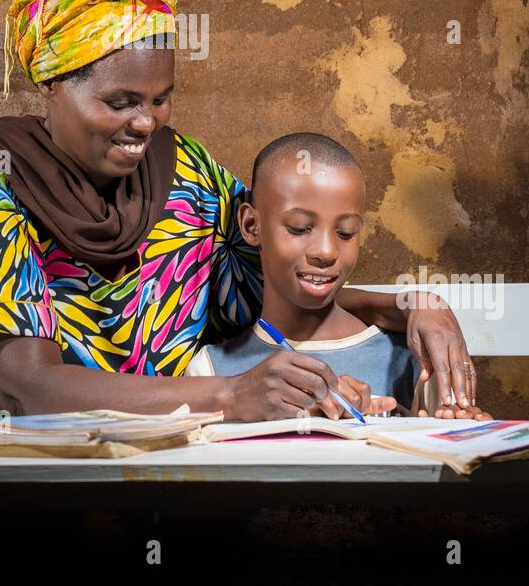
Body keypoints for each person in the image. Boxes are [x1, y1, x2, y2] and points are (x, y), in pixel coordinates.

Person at [0, 0, 481, 424]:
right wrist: (232, 395)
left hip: (154, 457)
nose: (146, 122)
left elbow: (284, 273)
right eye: (120, 100)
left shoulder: (183, 173)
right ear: (50, 84)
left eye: (162, 98)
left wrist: (411, 307)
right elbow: (28, 390)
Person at [185, 132, 493, 420]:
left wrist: (463, 428)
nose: (326, 251)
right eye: (299, 228)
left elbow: (441, 454)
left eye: (345, 233)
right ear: (252, 225)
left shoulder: (413, 360)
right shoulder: (211, 369)